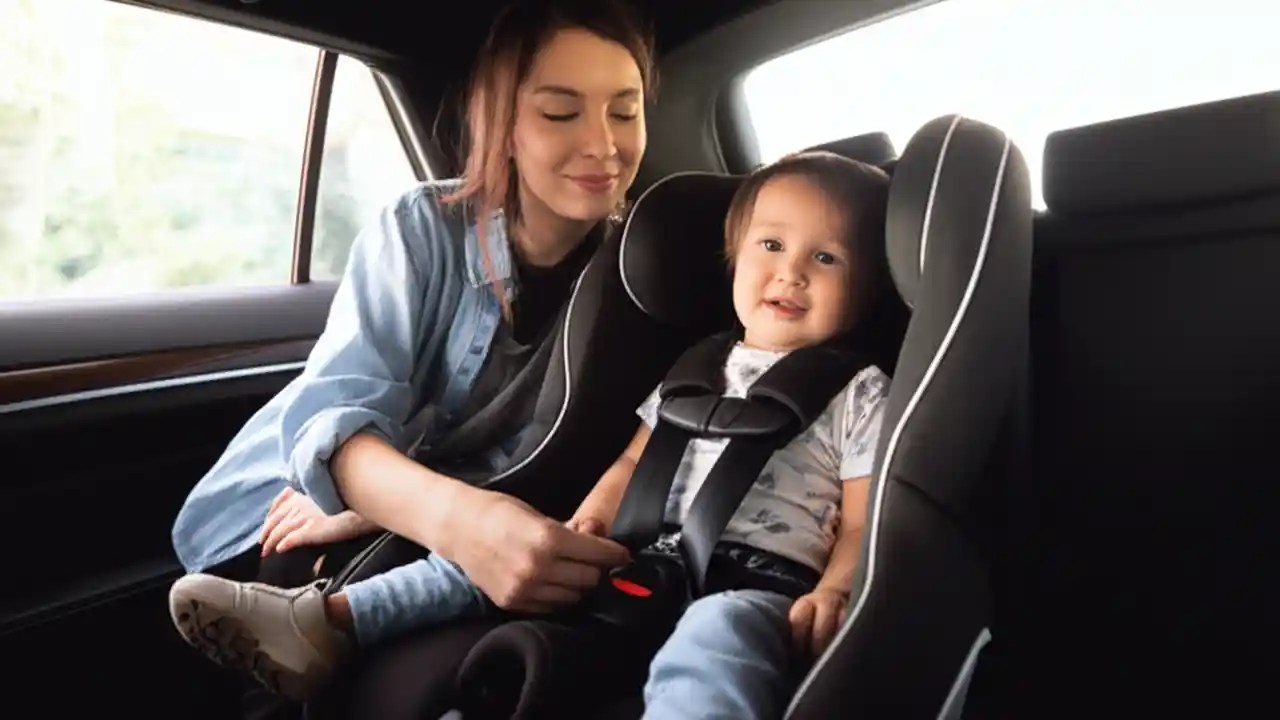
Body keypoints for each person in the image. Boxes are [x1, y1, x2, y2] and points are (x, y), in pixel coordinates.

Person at [171, 150, 894, 719]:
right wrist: (593, 520)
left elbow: (863, 521)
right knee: (492, 559)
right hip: (645, 553)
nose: (791, 273)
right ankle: (325, 622)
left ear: (866, 288)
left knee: (717, 642)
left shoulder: (859, 390)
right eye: (771, 245)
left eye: (825, 259)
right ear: (734, 260)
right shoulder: (697, 367)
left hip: (756, 582)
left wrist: (836, 589)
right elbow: (635, 461)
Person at [166, 0, 655, 716]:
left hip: (434, 524)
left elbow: (557, 464)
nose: (603, 144)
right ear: (504, 126)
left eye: (624, 111)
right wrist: (424, 510)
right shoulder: (421, 230)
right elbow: (332, 428)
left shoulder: (637, 280)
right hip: (281, 509)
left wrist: (389, 507)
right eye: (561, 112)